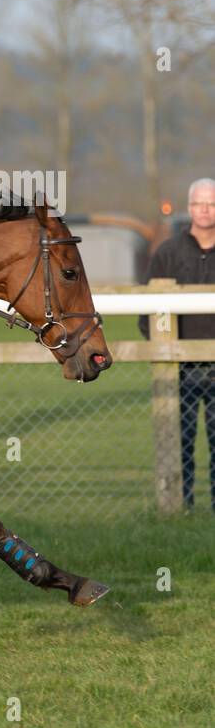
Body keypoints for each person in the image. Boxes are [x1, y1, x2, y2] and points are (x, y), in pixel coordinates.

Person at [141, 177, 215, 510]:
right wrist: (164, 351)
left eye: (211, 203)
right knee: (178, 441)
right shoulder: (168, 252)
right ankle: (179, 509)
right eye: (199, 203)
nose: (205, 210)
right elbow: (147, 314)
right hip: (179, 367)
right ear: (190, 207)